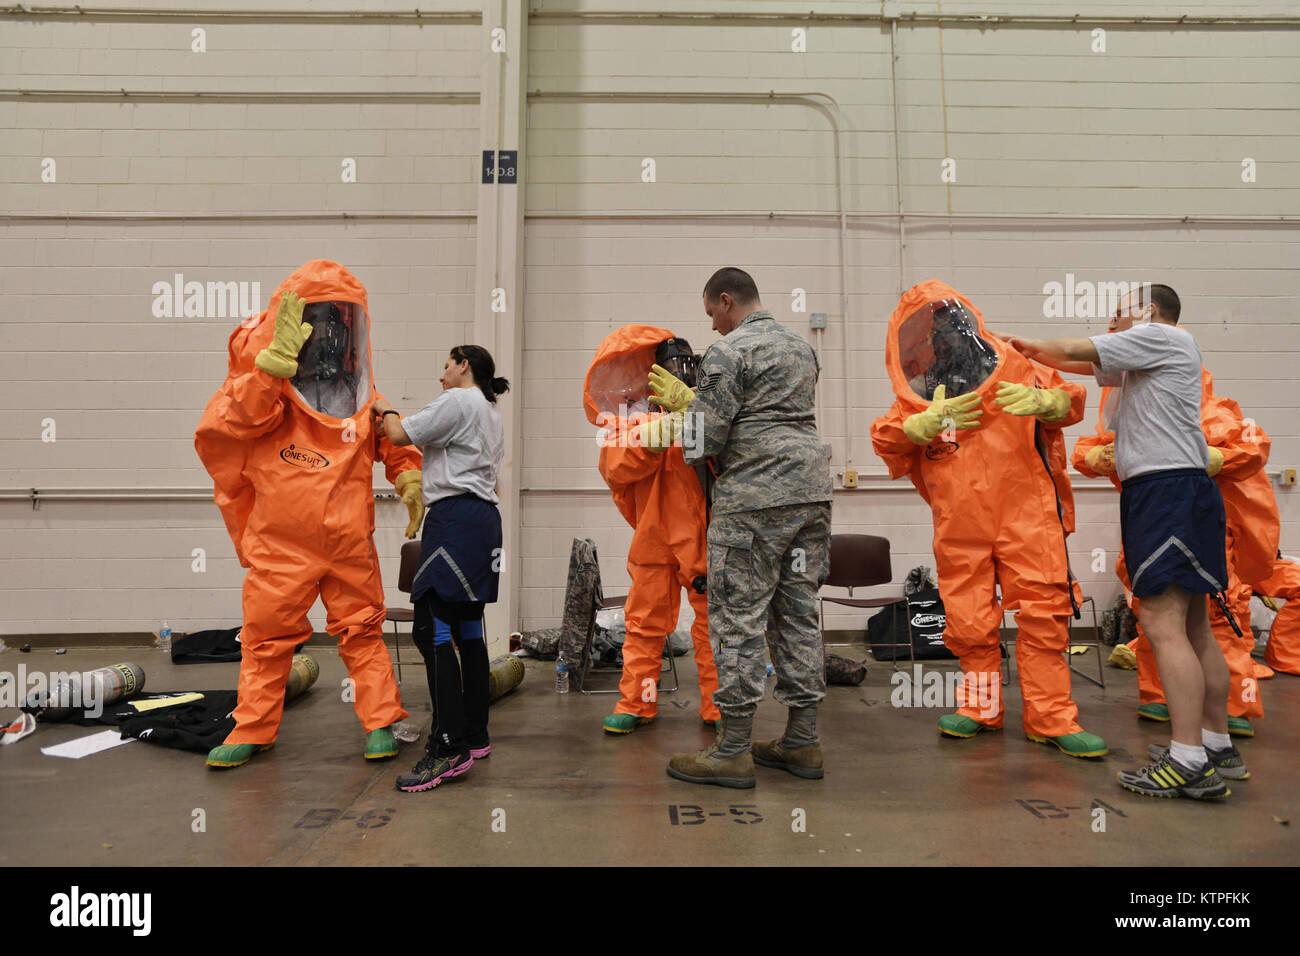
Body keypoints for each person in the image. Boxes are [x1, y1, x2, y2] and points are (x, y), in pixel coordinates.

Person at [1009, 284, 1237, 799]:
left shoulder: (1160, 335)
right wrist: (1021, 354)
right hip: (1182, 490)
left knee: (1160, 621)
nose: (1111, 322)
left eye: (1118, 313)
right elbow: (1085, 368)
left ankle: (1187, 760)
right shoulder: (1150, 355)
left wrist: (1013, 341)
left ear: (1147, 312)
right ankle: (1215, 743)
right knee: (1195, 624)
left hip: (1164, 493)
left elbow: (1072, 350)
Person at [195, 259, 423, 769]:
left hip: (347, 541)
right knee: (268, 639)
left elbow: (389, 431)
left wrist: (407, 474)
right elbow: (234, 423)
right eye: (316, 321)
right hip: (282, 545)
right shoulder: (265, 391)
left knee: (362, 631)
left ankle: (381, 723)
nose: (326, 334)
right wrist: (268, 370)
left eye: (338, 322)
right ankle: (253, 727)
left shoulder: (360, 396)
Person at [870, 280, 1107, 757]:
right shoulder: (922, 392)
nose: (944, 339)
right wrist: (916, 427)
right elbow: (888, 436)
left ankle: (1052, 718)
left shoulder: (1017, 362)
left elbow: (1071, 398)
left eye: (949, 327)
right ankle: (980, 708)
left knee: (1045, 616)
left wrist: (1055, 404)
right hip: (961, 527)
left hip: (1028, 517)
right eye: (932, 331)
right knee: (968, 621)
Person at [641, 267, 833, 789]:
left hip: (754, 499)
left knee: (735, 620)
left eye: (712, 315)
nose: (714, 328)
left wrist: (679, 420)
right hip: (811, 493)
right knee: (797, 613)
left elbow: (706, 439)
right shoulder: (800, 348)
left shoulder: (730, 352)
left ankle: (732, 749)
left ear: (726, 301)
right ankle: (803, 740)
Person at [1075, 359, 1277, 742]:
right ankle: (1173, 705)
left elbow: (1253, 447)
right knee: (1169, 625)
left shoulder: (1213, 416)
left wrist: (1222, 459)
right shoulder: (1138, 414)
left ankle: (1209, 729)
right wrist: (1091, 458)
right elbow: (1091, 447)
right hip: (1157, 528)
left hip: (1179, 525)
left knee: (1201, 623)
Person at [371, 346, 509, 792]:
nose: (441, 375)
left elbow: (396, 434)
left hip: (456, 520)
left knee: (431, 629)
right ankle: (474, 732)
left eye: (446, 365)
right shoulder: (489, 410)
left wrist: (380, 404)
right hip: (485, 522)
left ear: (464, 364)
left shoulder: (459, 401)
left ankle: (447, 749)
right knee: (467, 626)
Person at [582, 327, 720, 734]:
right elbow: (614, 466)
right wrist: (653, 436)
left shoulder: (706, 412)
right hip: (654, 540)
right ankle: (637, 704)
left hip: (704, 538)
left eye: (683, 366)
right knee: (643, 624)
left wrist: (694, 416)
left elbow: (733, 459)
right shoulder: (632, 422)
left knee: (714, 625)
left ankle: (718, 707)